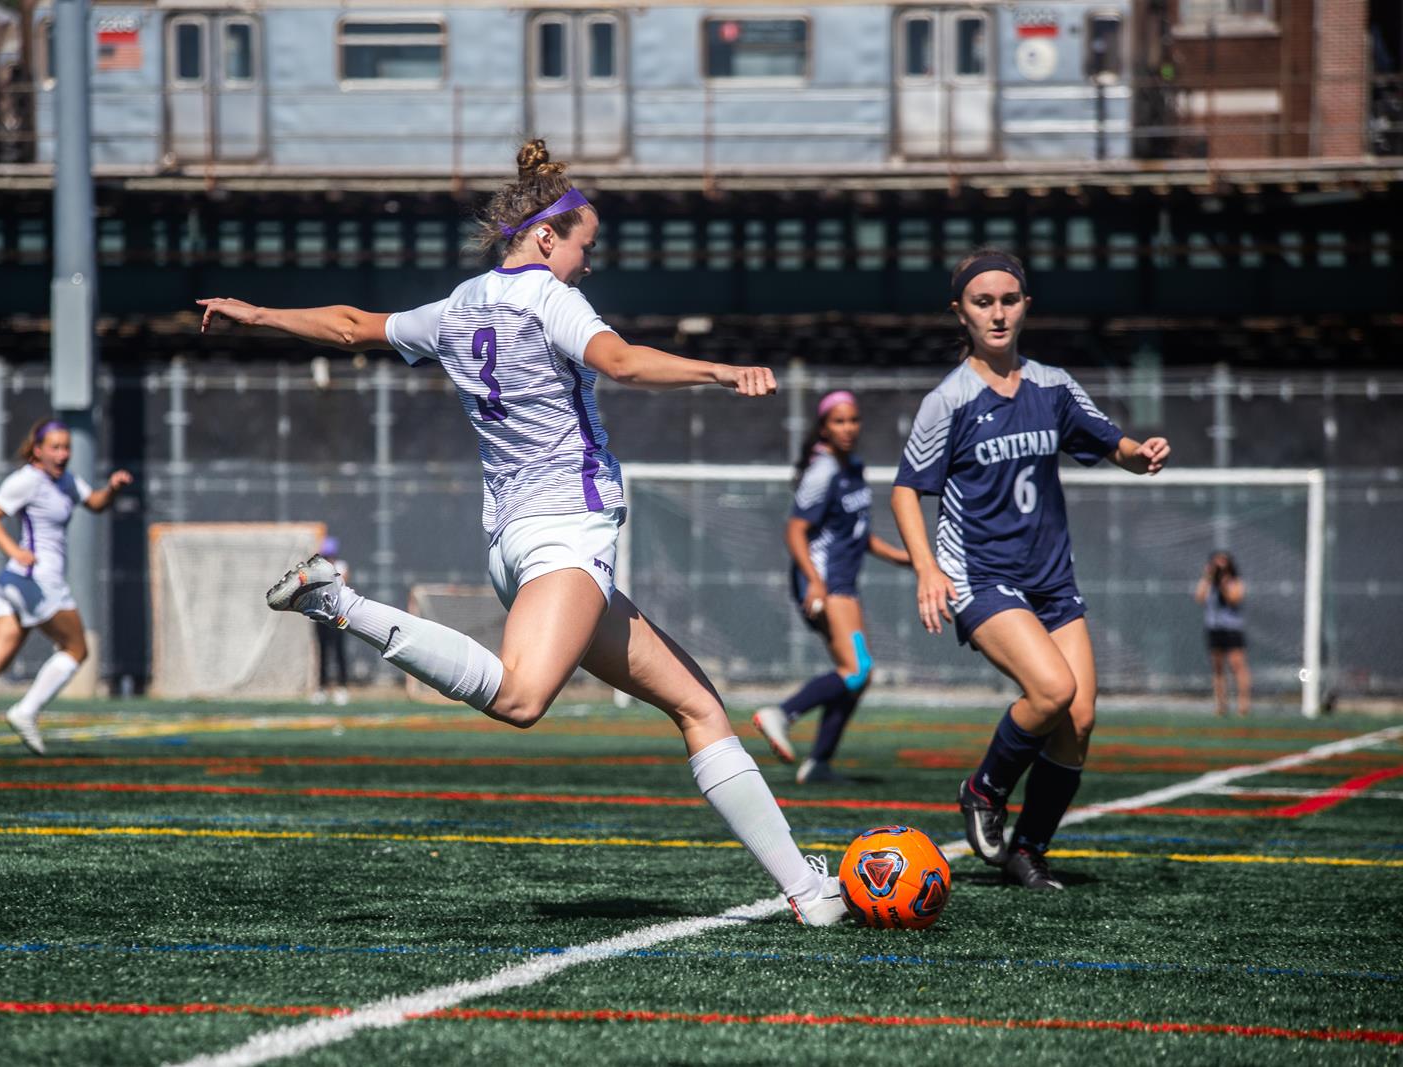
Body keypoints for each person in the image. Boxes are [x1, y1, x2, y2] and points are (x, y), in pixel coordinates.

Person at [195, 140, 848, 925]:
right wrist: (719, 370)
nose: (586, 264)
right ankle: (340, 603)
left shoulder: (458, 306)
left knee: (699, 705)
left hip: (529, 543)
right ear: (545, 237)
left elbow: (349, 326)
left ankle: (809, 894)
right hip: (560, 538)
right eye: (584, 246)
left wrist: (260, 312)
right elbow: (624, 361)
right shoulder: (547, 296)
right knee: (522, 696)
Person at [888, 249, 1170, 891]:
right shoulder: (949, 400)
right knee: (1051, 690)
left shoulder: (1052, 385)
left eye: (1008, 300)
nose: (997, 312)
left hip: (1050, 581)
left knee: (1080, 718)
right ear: (959, 312)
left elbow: (1111, 443)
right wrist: (928, 571)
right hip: (980, 577)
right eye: (982, 302)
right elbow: (907, 491)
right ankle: (984, 789)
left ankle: (1029, 851)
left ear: (1026, 308)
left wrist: (1140, 454)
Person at [0, 418, 133, 760]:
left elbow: (96, 503)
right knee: (77, 649)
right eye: (55, 447)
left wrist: (112, 488)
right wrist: (15, 551)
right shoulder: (28, 480)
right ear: (37, 450)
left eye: (66, 447)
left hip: (19, 582)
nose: (63, 453)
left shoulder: (66, 481)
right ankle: (25, 711)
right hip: (38, 581)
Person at [752, 390, 911, 785]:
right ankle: (782, 713)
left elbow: (856, 532)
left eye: (853, 420)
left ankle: (820, 762)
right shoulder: (822, 471)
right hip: (824, 579)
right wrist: (816, 583)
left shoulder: (852, 466)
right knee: (858, 670)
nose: (848, 427)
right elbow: (795, 531)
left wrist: (903, 557)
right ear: (823, 427)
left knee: (857, 676)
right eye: (838, 421)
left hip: (841, 577)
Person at [1195, 551, 1250, 717]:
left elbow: (1234, 599)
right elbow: (1199, 597)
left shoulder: (1234, 582)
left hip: (1232, 628)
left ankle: (1243, 705)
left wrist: (1223, 585)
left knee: (1237, 665)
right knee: (1218, 668)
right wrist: (1208, 577)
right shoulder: (1209, 582)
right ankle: (1221, 705)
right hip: (1214, 628)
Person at [312, 535, 352, 706]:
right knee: (322, 652)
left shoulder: (341, 566)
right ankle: (321, 688)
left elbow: (339, 582)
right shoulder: (316, 569)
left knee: (339, 651)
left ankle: (342, 687)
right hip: (321, 616)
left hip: (338, 617)